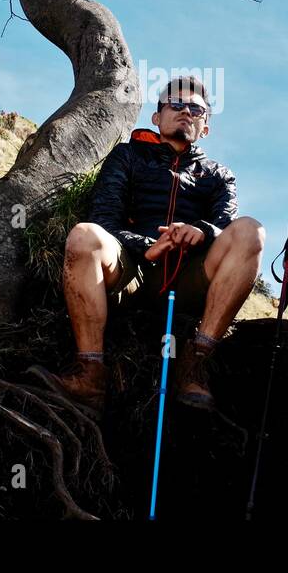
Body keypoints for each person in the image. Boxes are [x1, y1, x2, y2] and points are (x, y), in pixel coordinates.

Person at [34, 76, 264, 418]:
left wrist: (200, 231)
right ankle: (91, 374)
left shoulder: (219, 175)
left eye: (196, 109)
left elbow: (226, 225)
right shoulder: (127, 156)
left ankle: (196, 361)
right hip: (132, 271)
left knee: (251, 231)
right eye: (176, 105)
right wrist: (147, 247)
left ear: (206, 127)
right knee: (83, 235)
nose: (186, 112)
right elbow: (104, 218)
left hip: (189, 279)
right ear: (157, 118)